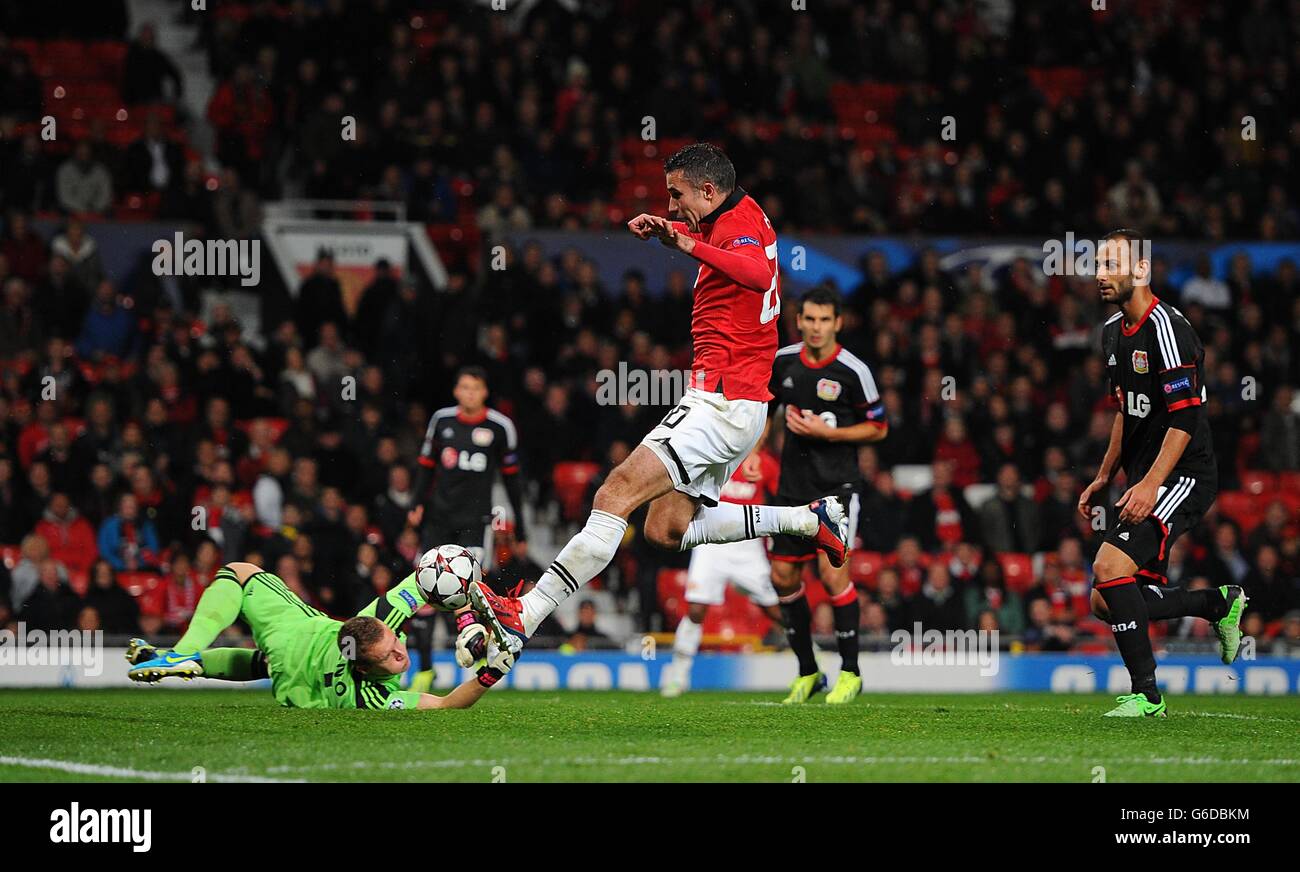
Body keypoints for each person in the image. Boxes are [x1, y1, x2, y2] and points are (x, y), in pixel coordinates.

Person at [463, 144, 849, 670]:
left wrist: (685, 241)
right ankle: (808, 520)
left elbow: (758, 276)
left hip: (722, 399)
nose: (671, 206)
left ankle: (523, 616)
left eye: (676, 194)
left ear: (708, 192)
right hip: (737, 404)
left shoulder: (736, 225)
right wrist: (680, 236)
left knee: (615, 491)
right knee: (664, 530)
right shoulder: (738, 214)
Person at [1077, 229, 1247, 718]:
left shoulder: (1167, 328)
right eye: (1097, 264)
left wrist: (1150, 483)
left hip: (1185, 472)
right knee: (1105, 601)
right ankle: (1216, 604)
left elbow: (1185, 416)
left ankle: (1148, 696)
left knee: (1108, 568)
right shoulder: (1112, 333)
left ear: (1142, 271)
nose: (1100, 273)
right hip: (1144, 475)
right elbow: (1125, 412)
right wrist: (1105, 475)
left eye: (1112, 263)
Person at [125, 558, 510, 710]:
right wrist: (489, 668)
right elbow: (446, 704)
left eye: (395, 643)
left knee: (238, 572)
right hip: (294, 685)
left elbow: (427, 579)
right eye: (392, 656)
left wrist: (466, 616)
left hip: (292, 634)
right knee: (265, 665)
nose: (401, 653)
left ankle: (185, 652)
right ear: (364, 669)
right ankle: (189, 660)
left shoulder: (374, 623)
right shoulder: (368, 698)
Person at [764, 287, 888, 703]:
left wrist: (829, 433)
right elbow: (764, 410)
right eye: (809, 319)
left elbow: (879, 427)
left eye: (824, 320)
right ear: (799, 321)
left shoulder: (854, 371)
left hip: (837, 490)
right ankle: (808, 672)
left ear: (838, 323)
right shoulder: (782, 362)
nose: (816, 327)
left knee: (833, 574)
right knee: (782, 577)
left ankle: (850, 673)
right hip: (790, 489)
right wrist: (751, 453)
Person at [661, 450, 784, 698]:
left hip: (747, 545)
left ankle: (812, 656)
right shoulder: (713, 454)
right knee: (696, 608)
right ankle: (679, 675)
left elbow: (782, 495)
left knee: (775, 608)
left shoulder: (763, 462)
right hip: (710, 540)